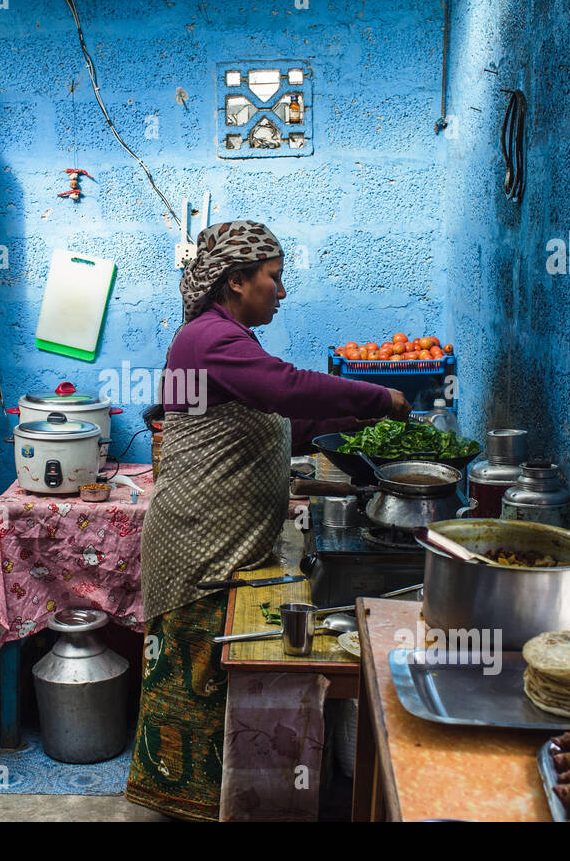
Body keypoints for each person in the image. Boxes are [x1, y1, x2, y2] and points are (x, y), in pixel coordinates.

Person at [125, 219, 412, 821]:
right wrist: (375, 397)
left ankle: (217, 805)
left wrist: (350, 424)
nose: (282, 291)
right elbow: (285, 389)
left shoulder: (225, 341)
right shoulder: (208, 338)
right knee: (196, 683)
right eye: (274, 279)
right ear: (236, 281)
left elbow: (274, 421)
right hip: (197, 544)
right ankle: (188, 806)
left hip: (218, 538)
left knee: (213, 686)